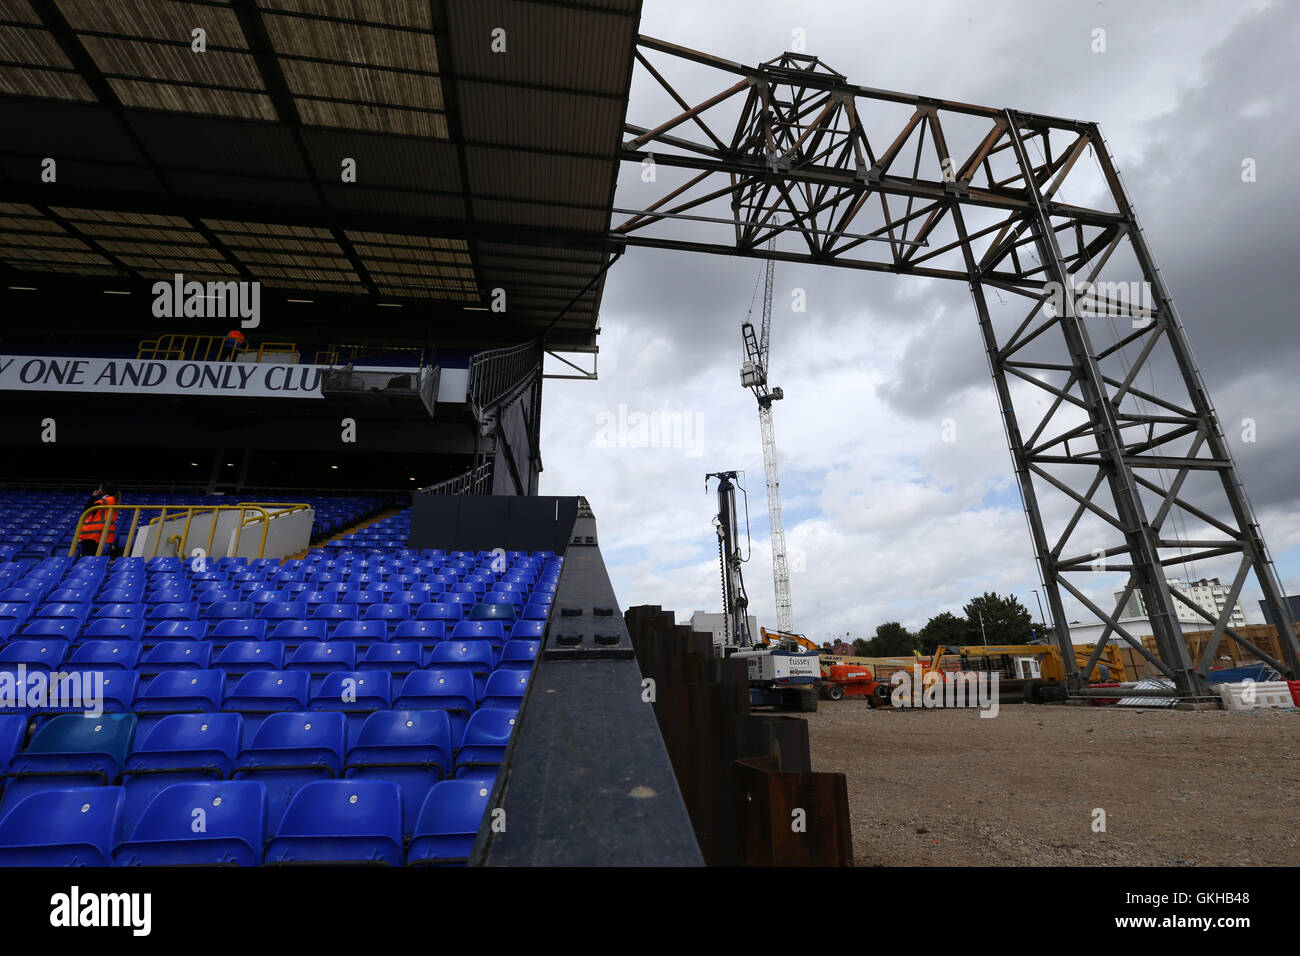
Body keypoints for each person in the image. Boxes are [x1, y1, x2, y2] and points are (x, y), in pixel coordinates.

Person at [78, 482, 120, 557]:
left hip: (93, 533)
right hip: (95, 533)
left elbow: (88, 508)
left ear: (105, 490)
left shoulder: (106, 500)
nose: (98, 489)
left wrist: (93, 496)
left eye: (100, 488)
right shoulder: (111, 500)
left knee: (88, 558)